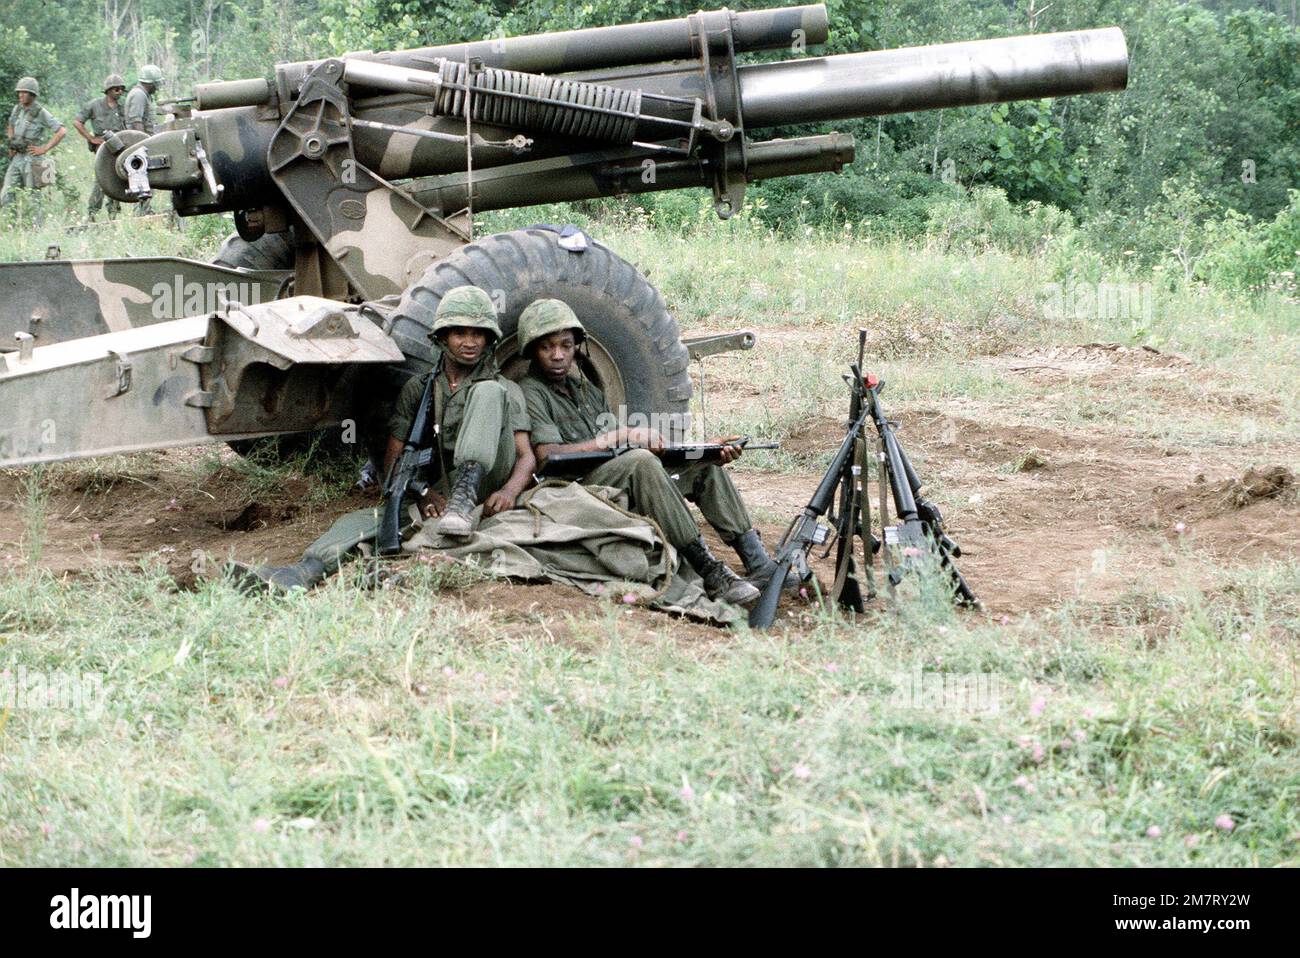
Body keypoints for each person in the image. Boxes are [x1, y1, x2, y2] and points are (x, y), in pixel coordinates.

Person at [226, 286, 535, 591]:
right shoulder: (422, 388)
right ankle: (301, 573)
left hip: (490, 479)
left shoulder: (504, 388)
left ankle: (464, 499)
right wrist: (417, 492)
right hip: (445, 487)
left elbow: (525, 456)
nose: (470, 342)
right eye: (460, 334)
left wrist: (509, 491)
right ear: (442, 338)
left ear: (489, 339)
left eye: (478, 334)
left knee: (488, 391)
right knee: (362, 520)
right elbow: (395, 452)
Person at [515, 299, 790, 607]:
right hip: (573, 490)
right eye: (547, 347)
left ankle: (758, 562)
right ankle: (711, 571)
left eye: (566, 346)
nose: (558, 355)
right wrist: (624, 435)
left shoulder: (584, 390)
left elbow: (619, 446)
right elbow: (548, 456)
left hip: (614, 474)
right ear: (531, 350)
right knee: (640, 462)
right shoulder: (529, 390)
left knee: (702, 466)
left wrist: (705, 451)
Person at [2, 77, 65, 216]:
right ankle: (11, 223)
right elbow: (10, 125)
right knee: (7, 192)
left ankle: (37, 229)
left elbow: (61, 131)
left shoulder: (41, 112)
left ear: (32, 95)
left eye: (24, 92)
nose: (20, 95)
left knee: (34, 196)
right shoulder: (17, 109)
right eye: (19, 92)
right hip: (17, 157)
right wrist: (12, 143)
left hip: (33, 158)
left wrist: (44, 149)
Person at [73, 74, 127, 220]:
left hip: (118, 149)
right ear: (108, 90)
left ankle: (113, 213)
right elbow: (78, 122)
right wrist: (90, 138)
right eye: (116, 89)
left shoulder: (123, 108)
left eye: (121, 89)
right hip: (102, 150)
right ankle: (92, 213)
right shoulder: (94, 105)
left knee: (117, 180)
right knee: (102, 181)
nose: (119, 92)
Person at [124, 65, 162, 214]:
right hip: (140, 144)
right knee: (142, 179)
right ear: (151, 82)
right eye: (156, 83)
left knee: (145, 179)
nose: (157, 87)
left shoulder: (142, 94)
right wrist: (143, 143)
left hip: (142, 142)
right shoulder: (139, 95)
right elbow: (136, 121)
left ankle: (144, 210)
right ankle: (142, 212)